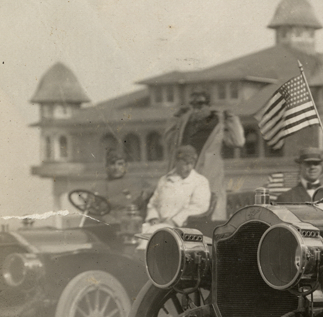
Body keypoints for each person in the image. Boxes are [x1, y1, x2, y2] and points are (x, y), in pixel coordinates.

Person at [163, 86, 245, 221]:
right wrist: (175, 117)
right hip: (184, 177)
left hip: (208, 177)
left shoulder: (218, 122)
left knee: (208, 218)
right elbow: (168, 140)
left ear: (208, 105)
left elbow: (238, 141)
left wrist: (231, 117)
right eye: (193, 104)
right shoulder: (185, 122)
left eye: (200, 104)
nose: (196, 108)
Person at [138, 145, 211, 247]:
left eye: (192, 163)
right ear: (176, 162)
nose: (189, 167)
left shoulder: (200, 181)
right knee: (136, 234)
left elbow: (198, 207)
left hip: (181, 227)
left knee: (149, 240)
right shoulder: (165, 180)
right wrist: (153, 218)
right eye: (185, 164)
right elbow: (154, 203)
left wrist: (174, 221)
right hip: (157, 224)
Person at [99, 150, 150, 225]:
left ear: (126, 165)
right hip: (106, 225)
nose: (116, 168)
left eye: (120, 164)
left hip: (132, 224)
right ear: (107, 166)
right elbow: (93, 212)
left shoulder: (138, 182)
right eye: (112, 164)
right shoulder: (99, 186)